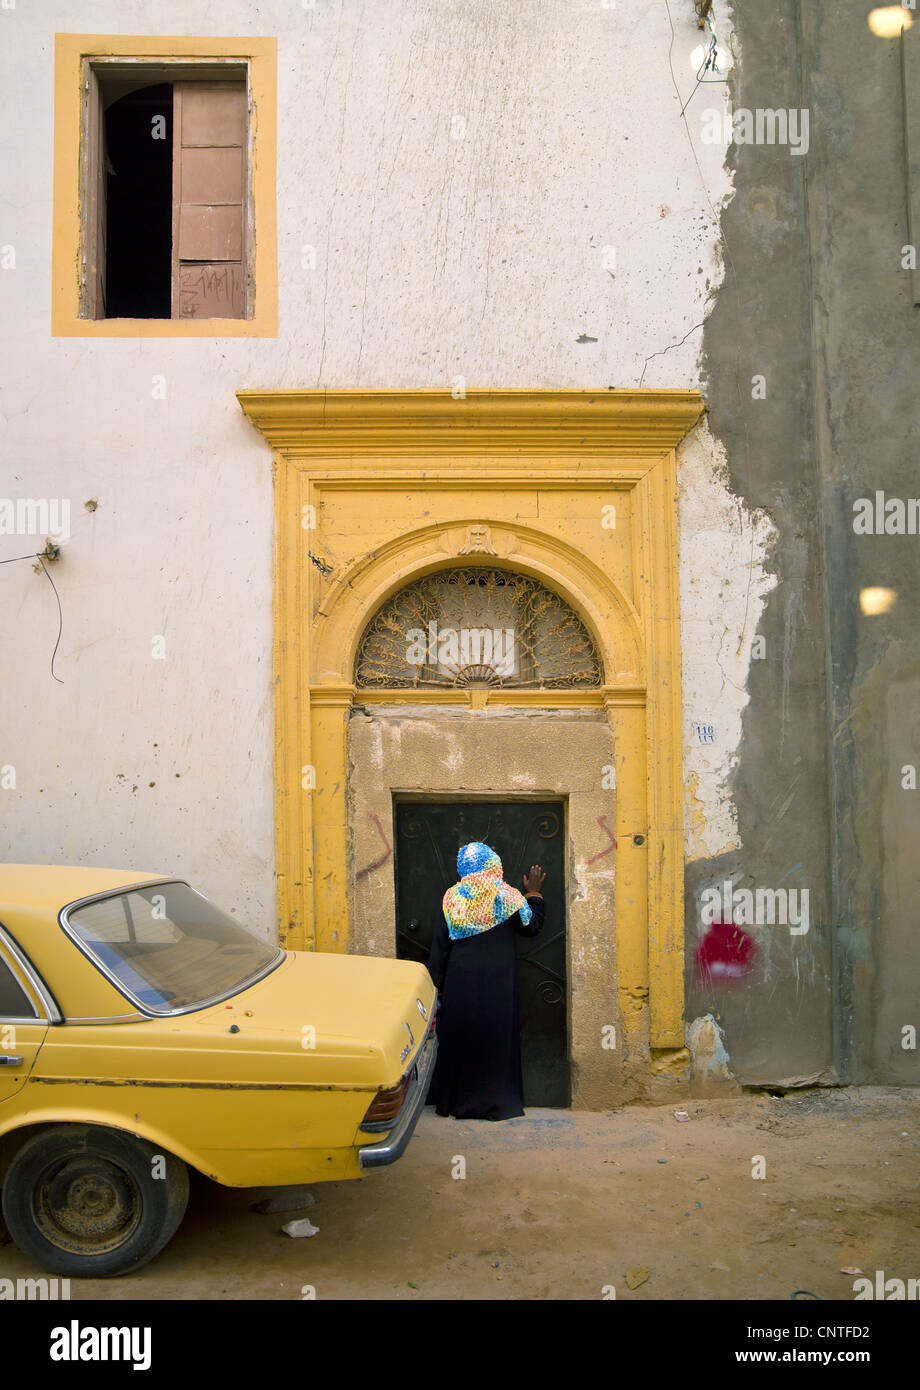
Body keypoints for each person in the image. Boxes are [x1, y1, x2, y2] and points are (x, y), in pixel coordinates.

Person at [426, 841, 546, 1121]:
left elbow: (439, 948)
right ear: (494, 864)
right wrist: (534, 893)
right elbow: (531, 928)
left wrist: (434, 986)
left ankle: (454, 1103)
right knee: (496, 1036)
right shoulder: (507, 896)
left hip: (460, 979)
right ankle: (495, 1102)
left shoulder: (452, 897)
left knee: (460, 1035)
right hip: (498, 981)